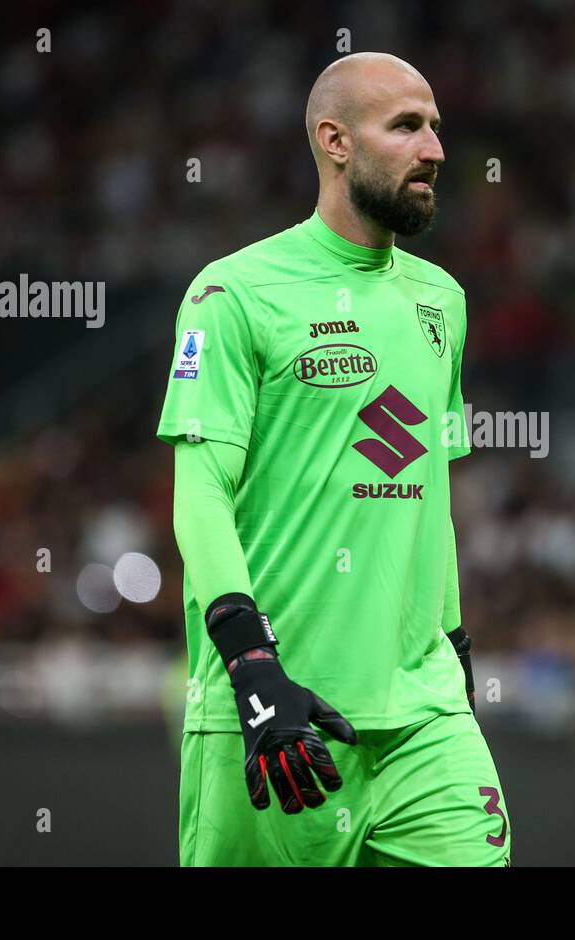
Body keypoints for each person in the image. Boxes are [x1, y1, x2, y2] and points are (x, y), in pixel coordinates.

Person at [156, 52, 511, 866]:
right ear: (335, 141)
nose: (435, 150)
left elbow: (429, 496)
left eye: (436, 128)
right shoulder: (235, 293)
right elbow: (201, 493)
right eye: (406, 127)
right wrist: (251, 664)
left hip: (425, 717)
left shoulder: (441, 301)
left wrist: (455, 660)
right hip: (283, 708)